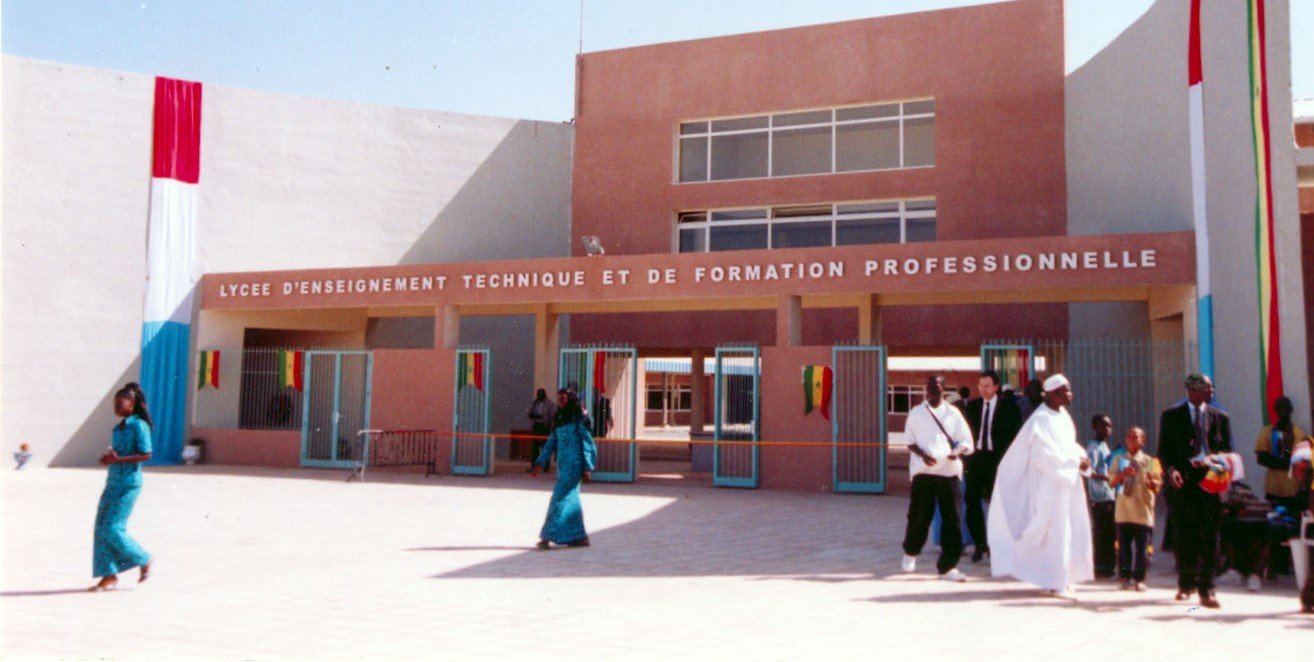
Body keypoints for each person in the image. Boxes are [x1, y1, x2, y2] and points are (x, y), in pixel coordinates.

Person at [987, 374, 1092, 600]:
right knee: (1055, 532)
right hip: (1050, 485)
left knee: (1067, 530)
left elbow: (1069, 445)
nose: (1070, 394)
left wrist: (1081, 458)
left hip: (1066, 482)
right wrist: (1075, 462)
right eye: (1066, 390)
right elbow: (1043, 456)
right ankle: (1056, 581)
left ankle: (1059, 579)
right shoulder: (1041, 419)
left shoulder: (1062, 415)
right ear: (1054, 393)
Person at [1157, 372, 1232, 609]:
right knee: (1184, 535)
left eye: (1212, 387)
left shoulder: (1220, 417)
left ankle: (1207, 589)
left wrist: (1214, 459)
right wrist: (1171, 471)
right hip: (1183, 485)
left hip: (1210, 485)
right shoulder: (1171, 416)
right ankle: (1185, 584)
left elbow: (1229, 451)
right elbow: (1164, 452)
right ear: (1192, 390)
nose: (1212, 392)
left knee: (1210, 536)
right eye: (1207, 388)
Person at [899, 375, 974, 582]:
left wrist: (956, 453)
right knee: (919, 516)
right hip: (924, 472)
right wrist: (923, 455)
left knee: (953, 519)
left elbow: (966, 442)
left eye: (937, 388)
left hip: (948, 472)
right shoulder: (916, 413)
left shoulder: (953, 413)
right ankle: (911, 552)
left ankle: (948, 566)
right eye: (930, 389)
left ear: (943, 390)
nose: (932, 392)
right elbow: (910, 442)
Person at [89, 383, 154, 591]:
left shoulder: (139, 426)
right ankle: (109, 575)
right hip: (113, 482)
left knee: (113, 527)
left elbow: (146, 454)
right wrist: (110, 459)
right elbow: (117, 456)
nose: (116, 406)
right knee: (101, 528)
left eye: (120, 402)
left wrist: (118, 459)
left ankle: (143, 558)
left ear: (132, 403)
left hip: (128, 484)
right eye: (114, 403)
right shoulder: (117, 429)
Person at [962, 369, 1022, 563]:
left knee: (999, 504)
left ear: (996, 387)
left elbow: (1015, 437)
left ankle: (1001, 544)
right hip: (976, 459)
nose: (983, 389)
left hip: (997, 461)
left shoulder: (1008, 408)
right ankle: (980, 545)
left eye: (987, 386)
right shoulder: (972, 407)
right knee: (971, 500)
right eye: (980, 386)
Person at [529, 389, 598, 550]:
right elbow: (551, 442)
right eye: (558, 399)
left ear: (571, 399)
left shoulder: (578, 419)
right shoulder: (558, 418)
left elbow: (587, 443)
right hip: (563, 466)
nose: (560, 401)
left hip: (575, 466)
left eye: (564, 399)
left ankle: (547, 536)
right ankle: (578, 536)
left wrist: (588, 467)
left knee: (558, 498)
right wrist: (539, 463)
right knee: (572, 501)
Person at [1109, 426, 1162, 591]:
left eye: (1136, 437)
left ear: (1143, 440)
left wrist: (1152, 483)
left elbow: (1158, 486)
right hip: (1124, 511)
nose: (1132, 440)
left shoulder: (1151, 462)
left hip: (1142, 511)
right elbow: (1111, 482)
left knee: (1142, 549)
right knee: (1123, 548)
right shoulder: (1118, 459)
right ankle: (1124, 578)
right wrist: (1122, 474)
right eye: (1129, 436)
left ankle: (1139, 579)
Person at [1255, 396, 1307, 516]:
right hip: (1273, 490)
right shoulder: (1266, 432)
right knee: (1273, 525)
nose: (1283, 411)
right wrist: (1286, 462)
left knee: (1292, 526)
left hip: (1293, 491)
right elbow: (1261, 458)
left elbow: (1299, 462)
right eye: (1280, 408)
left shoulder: (1299, 434)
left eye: (1285, 408)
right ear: (1275, 410)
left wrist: (1274, 460)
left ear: (1291, 410)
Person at [1085, 414, 1118, 579]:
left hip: (1109, 495)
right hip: (1100, 497)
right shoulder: (1094, 448)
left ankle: (1108, 565)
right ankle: (1101, 567)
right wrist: (1108, 478)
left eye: (1109, 426)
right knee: (1101, 533)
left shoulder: (1104, 446)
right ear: (1095, 427)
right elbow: (1089, 472)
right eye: (1103, 425)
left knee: (1109, 533)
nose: (1107, 429)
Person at [526, 388, 556, 472]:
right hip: (536, 426)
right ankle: (534, 466)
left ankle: (545, 467)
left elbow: (552, 416)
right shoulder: (535, 403)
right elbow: (529, 413)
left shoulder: (549, 404)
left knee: (545, 447)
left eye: (541, 395)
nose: (540, 397)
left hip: (544, 426)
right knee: (534, 448)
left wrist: (548, 424)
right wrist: (534, 415)